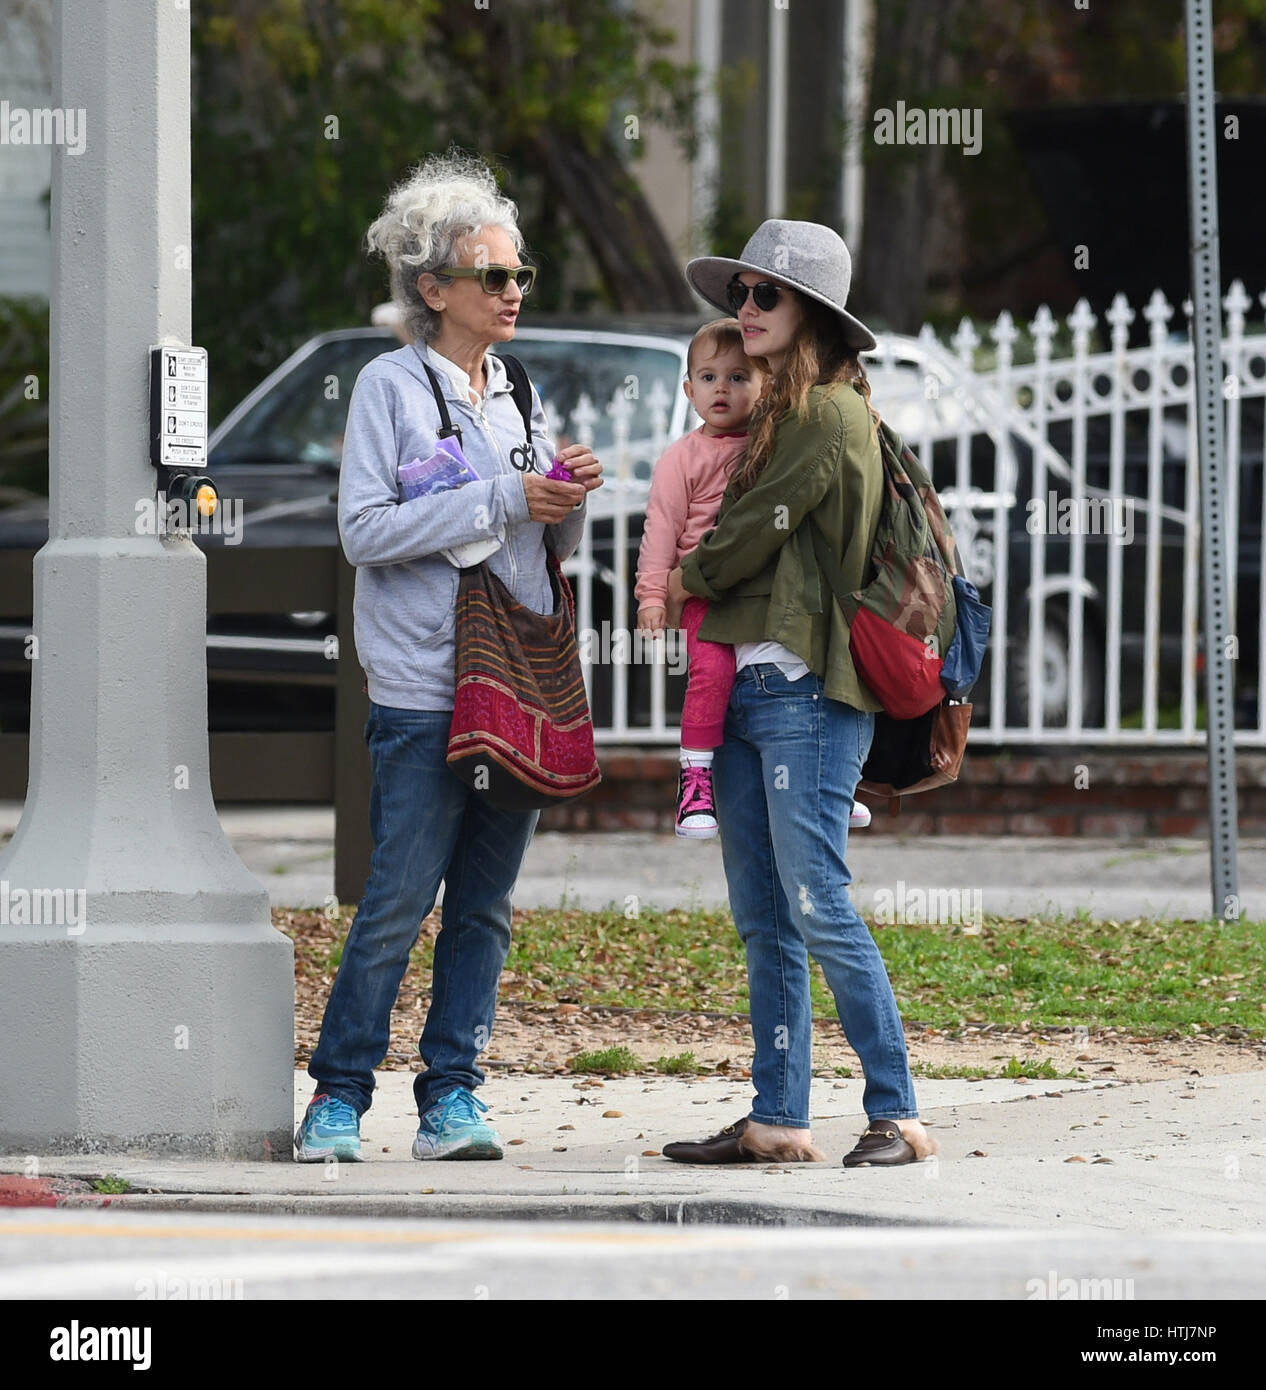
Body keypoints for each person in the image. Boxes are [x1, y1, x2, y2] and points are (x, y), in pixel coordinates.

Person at [295, 149, 603, 1163]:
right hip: (426, 685)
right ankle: (337, 1097)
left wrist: (564, 503)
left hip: (512, 682)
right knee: (396, 897)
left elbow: (539, 544)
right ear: (434, 290)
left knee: (485, 905)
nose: (515, 292)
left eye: (521, 276)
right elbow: (365, 532)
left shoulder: (516, 388)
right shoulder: (387, 387)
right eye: (495, 277)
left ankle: (452, 1096)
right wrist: (508, 498)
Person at [660, 219, 937, 1167]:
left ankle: (897, 1113)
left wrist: (688, 576)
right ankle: (778, 1115)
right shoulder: (775, 415)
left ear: (810, 308)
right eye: (738, 293)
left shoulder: (828, 412)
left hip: (811, 694)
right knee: (766, 917)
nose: (744, 310)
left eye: (762, 294)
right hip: (748, 687)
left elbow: (756, 535)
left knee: (818, 902)